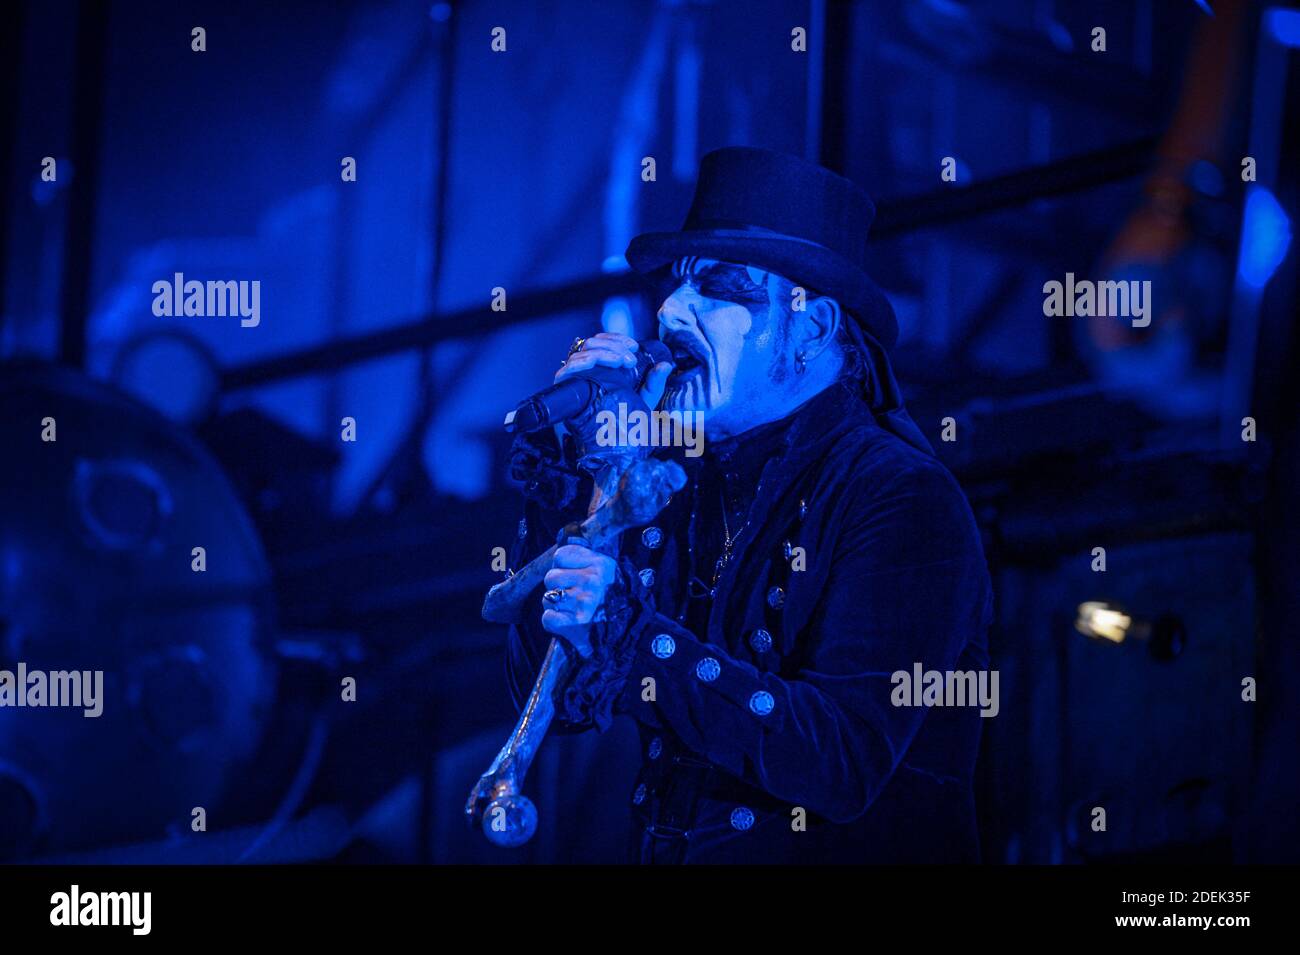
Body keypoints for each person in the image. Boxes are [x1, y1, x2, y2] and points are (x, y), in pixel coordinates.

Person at [505, 147, 992, 863]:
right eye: (676, 286)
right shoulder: (671, 485)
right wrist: (587, 468)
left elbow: (840, 762)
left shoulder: (901, 496)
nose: (670, 310)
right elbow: (555, 704)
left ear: (813, 328)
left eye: (721, 288)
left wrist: (629, 633)